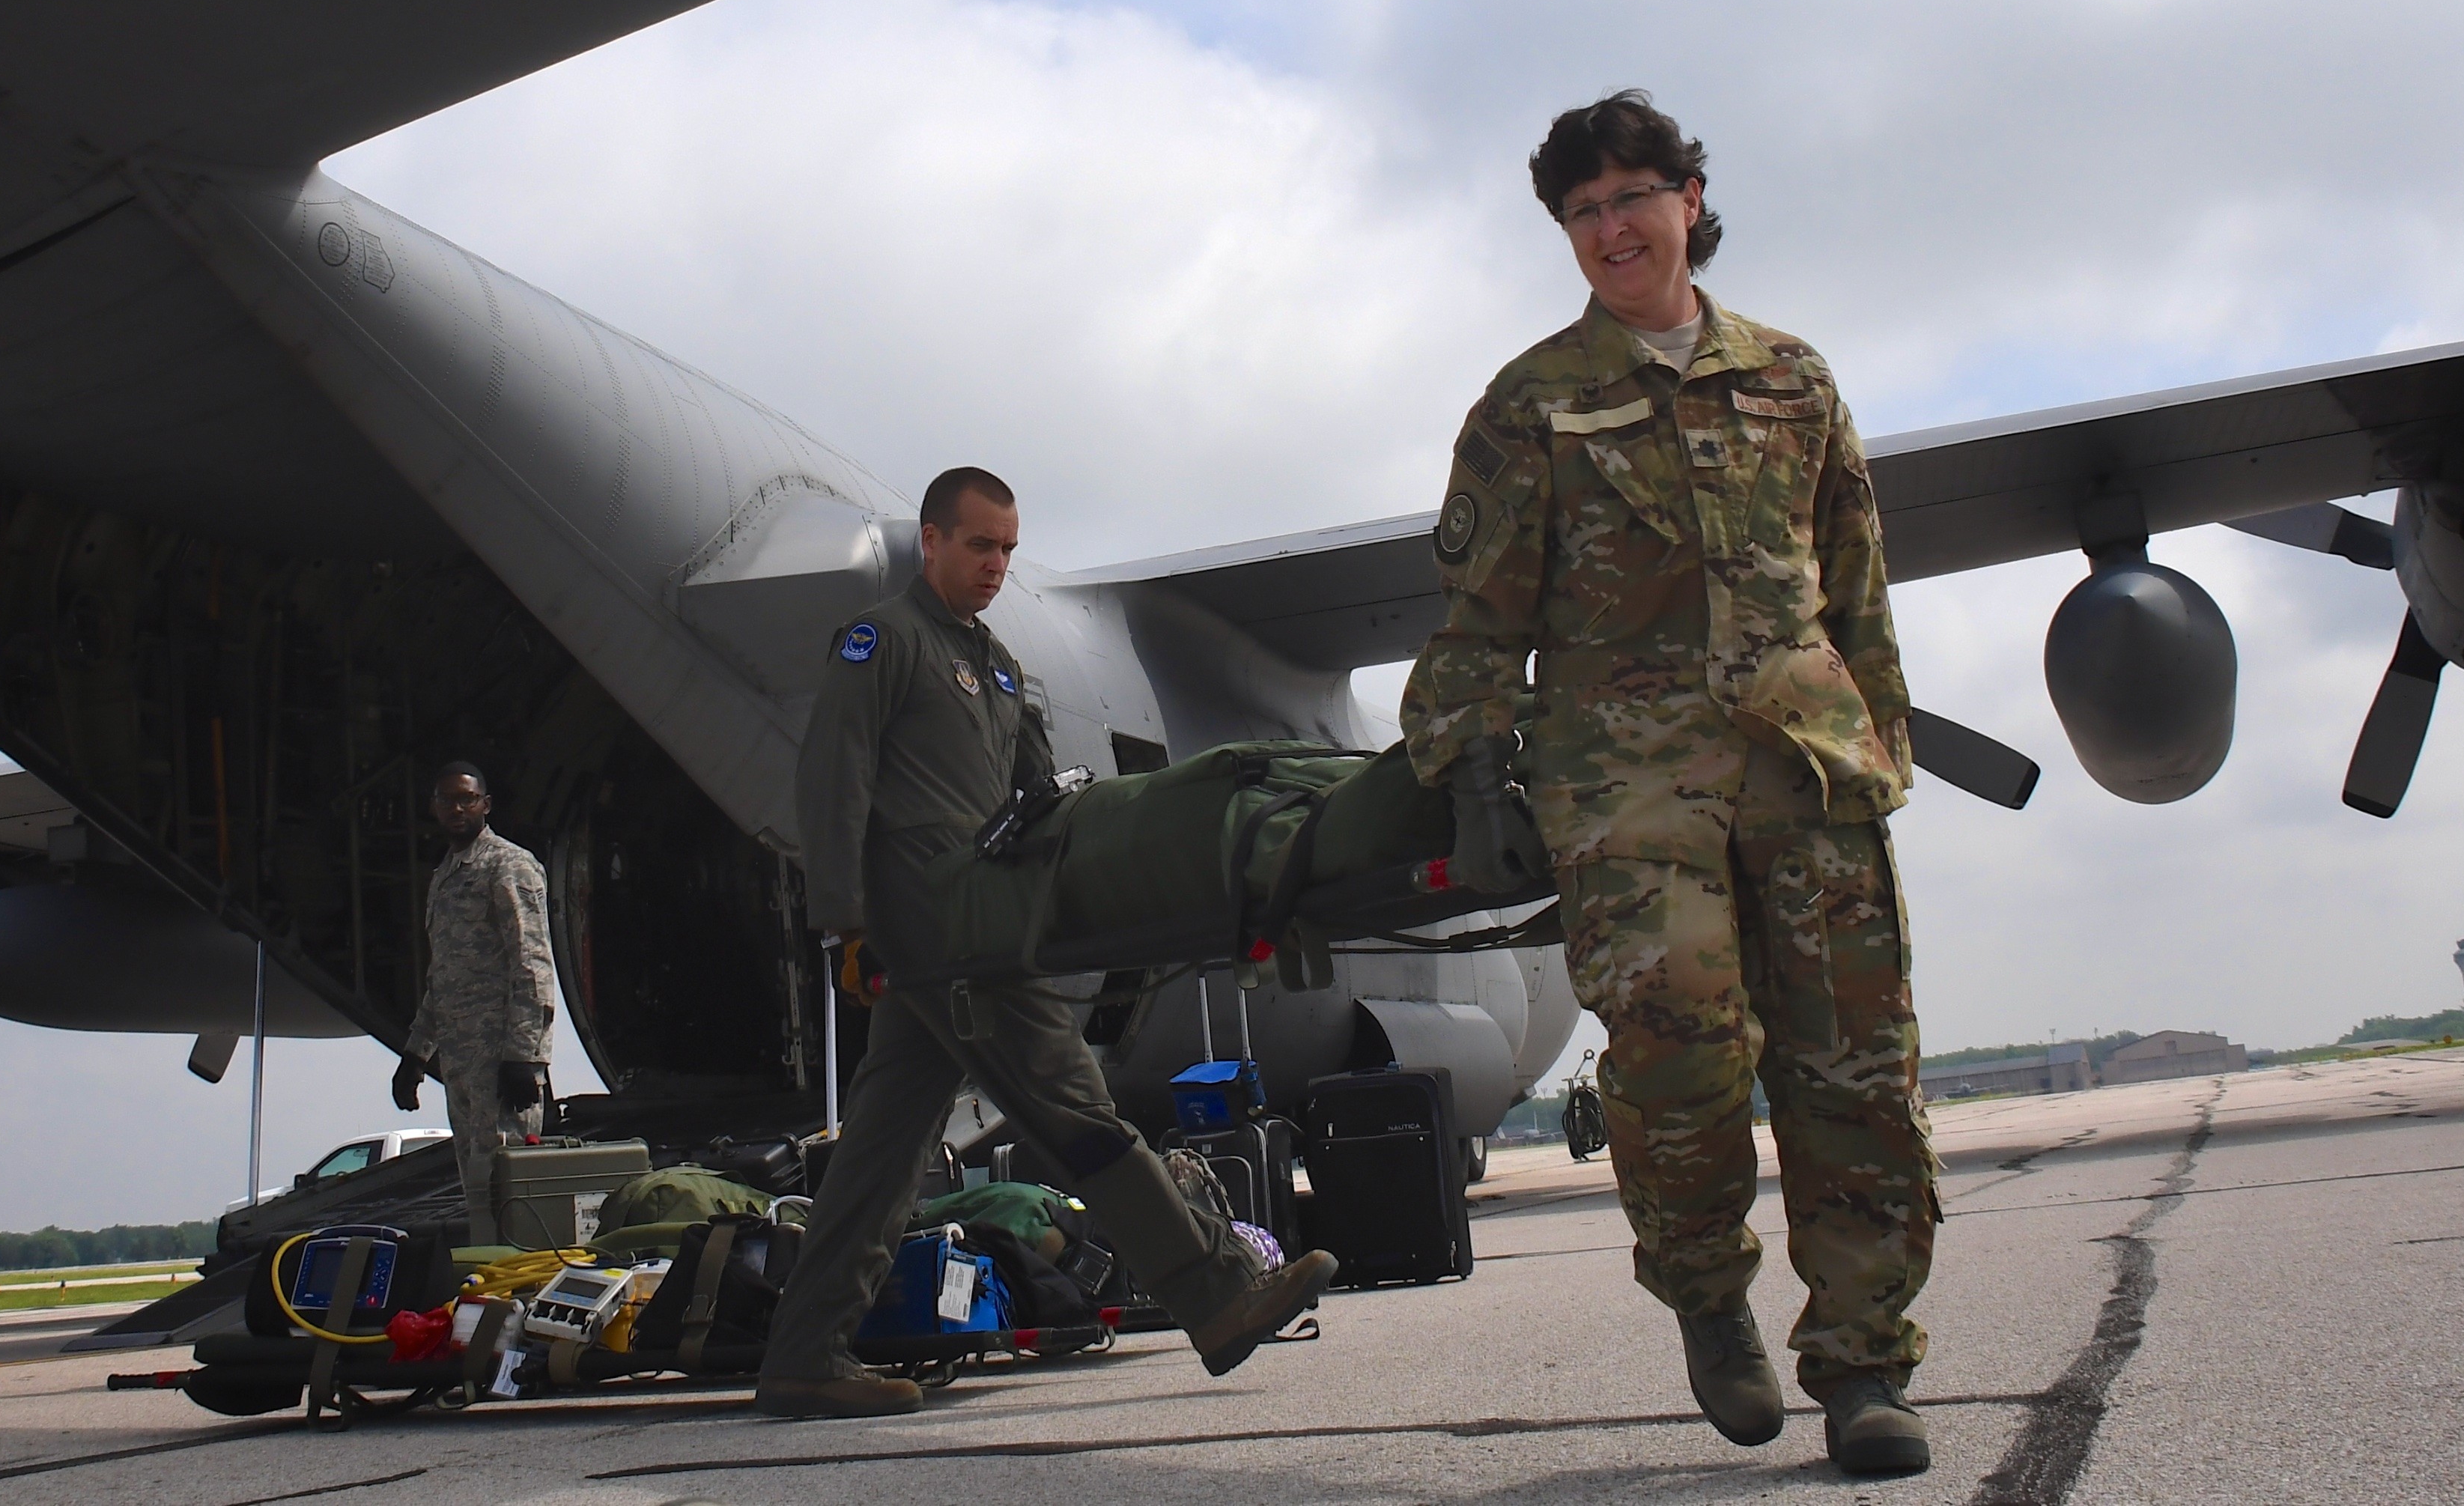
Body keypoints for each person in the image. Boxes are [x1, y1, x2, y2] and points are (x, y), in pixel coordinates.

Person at [1400, 91, 1939, 1478]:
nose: (1608, 227)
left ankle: (1865, 1367)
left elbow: (1854, 588)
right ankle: (1708, 1301)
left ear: (1689, 198)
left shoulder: (1794, 380)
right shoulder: (1528, 406)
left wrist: (1876, 749)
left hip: (1806, 770)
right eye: (1579, 211)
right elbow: (1475, 622)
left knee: (1854, 1074)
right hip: (1626, 799)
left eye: (1630, 195)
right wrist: (1454, 775)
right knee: (1678, 1064)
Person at [754, 467, 1335, 1420]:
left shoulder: (994, 664)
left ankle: (802, 1354)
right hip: (941, 937)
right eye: (979, 544)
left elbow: (1041, 806)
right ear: (931, 541)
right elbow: (833, 779)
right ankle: (1215, 1294)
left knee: (879, 1158)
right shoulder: (882, 640)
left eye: (1008, 550)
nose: (995, 565)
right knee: (1079, 1115)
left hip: (979, 930)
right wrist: (845, 921)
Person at [389, 762, 556, 1240]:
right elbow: (442, 978)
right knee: (478, 1192)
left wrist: (527, 1055)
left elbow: (533, 964)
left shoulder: (510, 865)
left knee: (513, 1190)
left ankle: (522, 1286)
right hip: (462, 1065)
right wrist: (416, 1054)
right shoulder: (446, 875)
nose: (457, 809)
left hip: (502, 1064)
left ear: (485, 804)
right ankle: (490, 1285)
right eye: (447, 800)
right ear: (434, 808)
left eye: (467, 799)